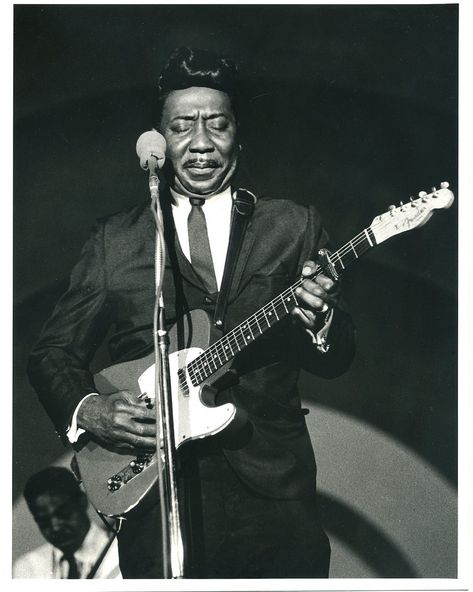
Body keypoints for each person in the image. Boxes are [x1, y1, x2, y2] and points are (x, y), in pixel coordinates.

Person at [27, 47, 356, 578]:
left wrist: (320, 318)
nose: (201, 143)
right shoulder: (116, 240)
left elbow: (339, 356)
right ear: (157, 141)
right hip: (156, 492)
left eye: (217, 125)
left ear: (238, 135)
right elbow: (53, 353)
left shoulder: (292, 227)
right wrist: (89, 409)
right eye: (183, 126)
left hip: (274, 496)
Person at [13, 466, 121, 579]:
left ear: (82, 502)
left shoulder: (120, 555)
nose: (55, 527)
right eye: (43, 521)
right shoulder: (27, 568)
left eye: (63, 514)